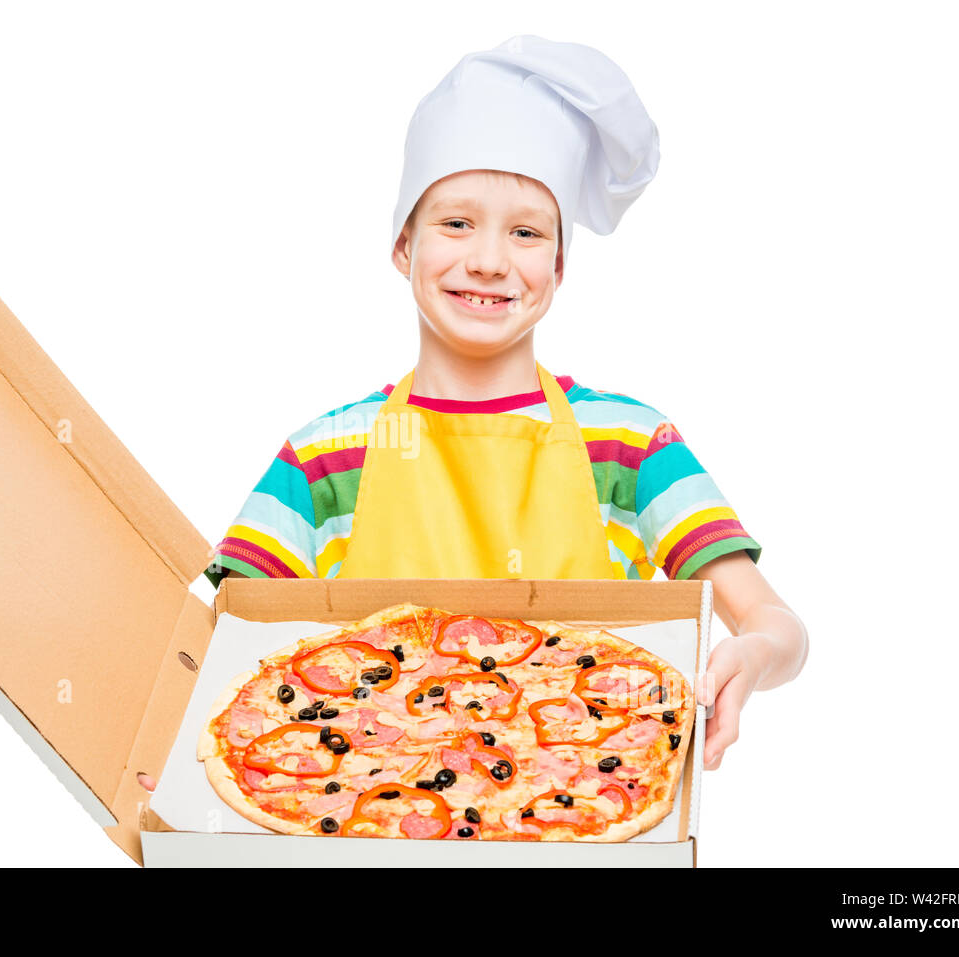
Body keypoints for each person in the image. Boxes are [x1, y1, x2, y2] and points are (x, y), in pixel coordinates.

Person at [196, 35, 807, 776]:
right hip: (360, 824)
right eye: (456, 223)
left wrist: (754, 651)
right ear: (402, 246)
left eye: (525, 231)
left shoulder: (630, 442)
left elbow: (776, 622)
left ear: (557, 264)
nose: (488, 259)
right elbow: (214, 647)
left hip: (576, 805)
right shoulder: (323, 457)